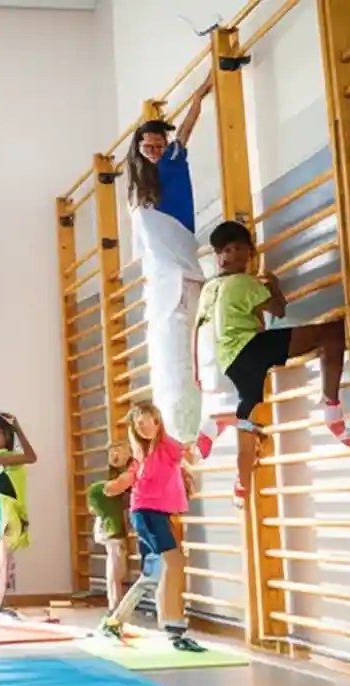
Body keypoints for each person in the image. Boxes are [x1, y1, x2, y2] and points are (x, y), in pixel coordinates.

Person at [194, 221, 350, 506]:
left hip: (223, 363)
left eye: (238, 249)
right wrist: (274, 286)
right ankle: (332, 410)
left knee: (246, 421)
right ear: (222, 256)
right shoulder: (244, 283)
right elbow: (279, 311)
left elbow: (199, 331)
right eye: (229, 250)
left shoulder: (209, 291)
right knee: (332, 332)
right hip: (247, 351)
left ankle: (237, 477)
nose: (234, 256)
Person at [126, 74, 230, 459]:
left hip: (184, 254)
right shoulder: (137, 185)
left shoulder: (173, 157)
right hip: (165, 272)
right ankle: (180, 427)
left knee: (203, 338)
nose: (154, 150)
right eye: (147, 146)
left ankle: (204, 416)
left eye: (158, 144)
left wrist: (202, 90)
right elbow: (146, 236)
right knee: (171, 345)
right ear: (138, 149)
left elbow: (188, 124)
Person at [97, 402, 205, 652]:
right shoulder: (144, 454)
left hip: (154, 514)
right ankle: (174, 628)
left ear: (158, 422)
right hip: (147, 514)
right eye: (139, 423)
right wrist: (115, 486)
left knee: (154, 574)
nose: (145, 426)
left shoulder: (165, 446)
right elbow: (131, 477)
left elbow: (189, 455)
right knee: (175, 563)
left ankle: (115, 622)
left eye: (149, 420)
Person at [0, 412, 38, 618]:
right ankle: (0, 603)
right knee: (3, 560)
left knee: (3, 560)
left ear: (6, 437)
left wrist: (17, 428)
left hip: (9, 515)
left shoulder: (2, 457)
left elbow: (31, 456)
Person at [87, 442, 132, 609]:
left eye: (118, 452)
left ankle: (116, 602)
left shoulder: (129, 471)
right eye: (112, 453)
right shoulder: (107, 484)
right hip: (110, 526)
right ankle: (115, 604)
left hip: (115, 523)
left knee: (118, 564)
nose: (115, 456)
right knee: (115, 563)